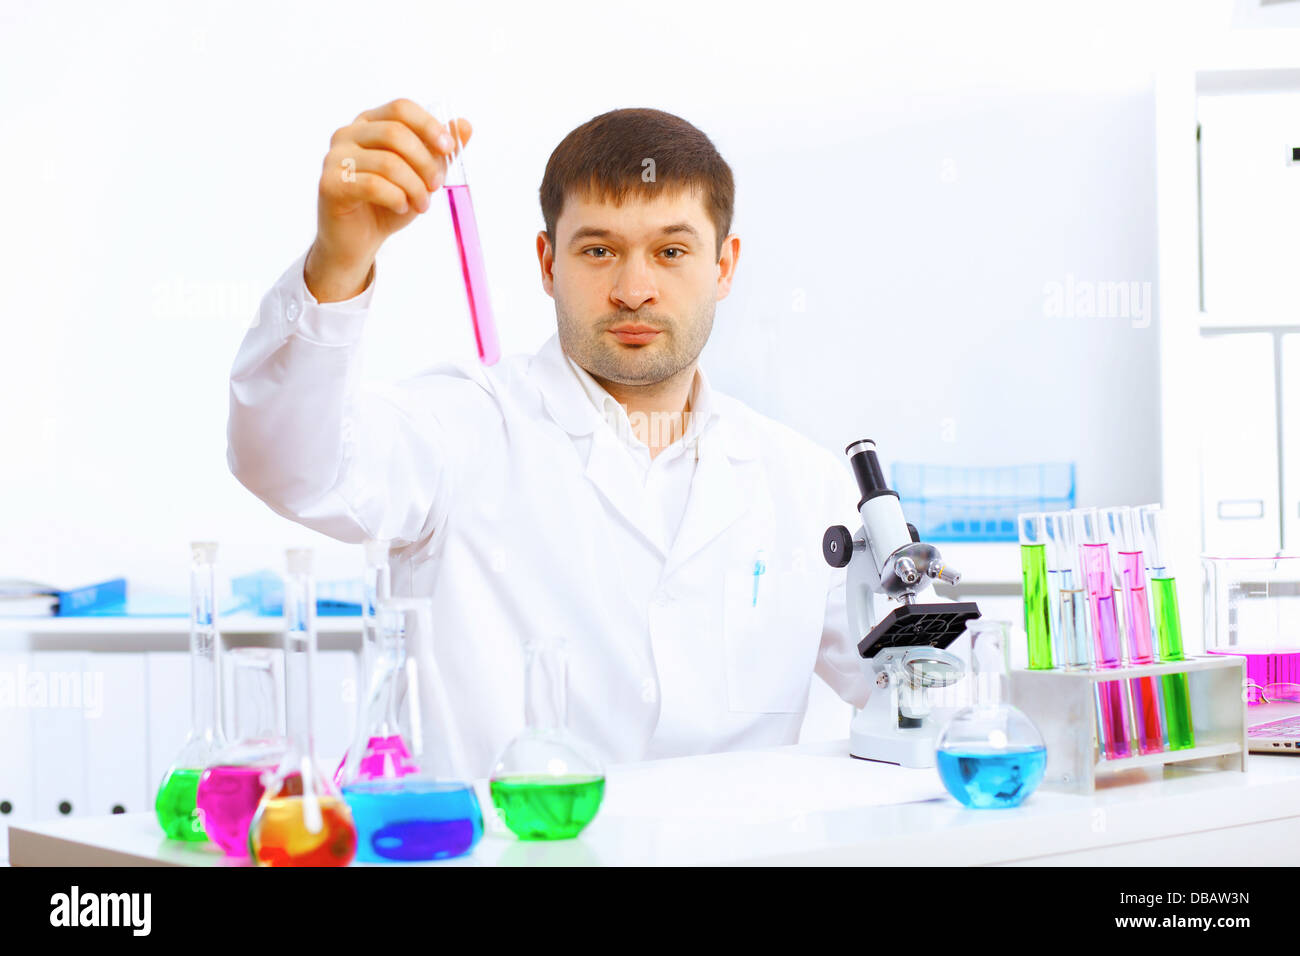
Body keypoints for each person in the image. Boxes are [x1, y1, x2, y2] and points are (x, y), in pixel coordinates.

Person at [228, 98, 870, 777]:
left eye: (672, 250)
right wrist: (337, 260)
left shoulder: (803, 483)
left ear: (724, 266)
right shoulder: (460, 429)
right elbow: (293, 463)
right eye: (598, 250)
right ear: (546, 262)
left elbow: (919, 685)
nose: (634, 289)